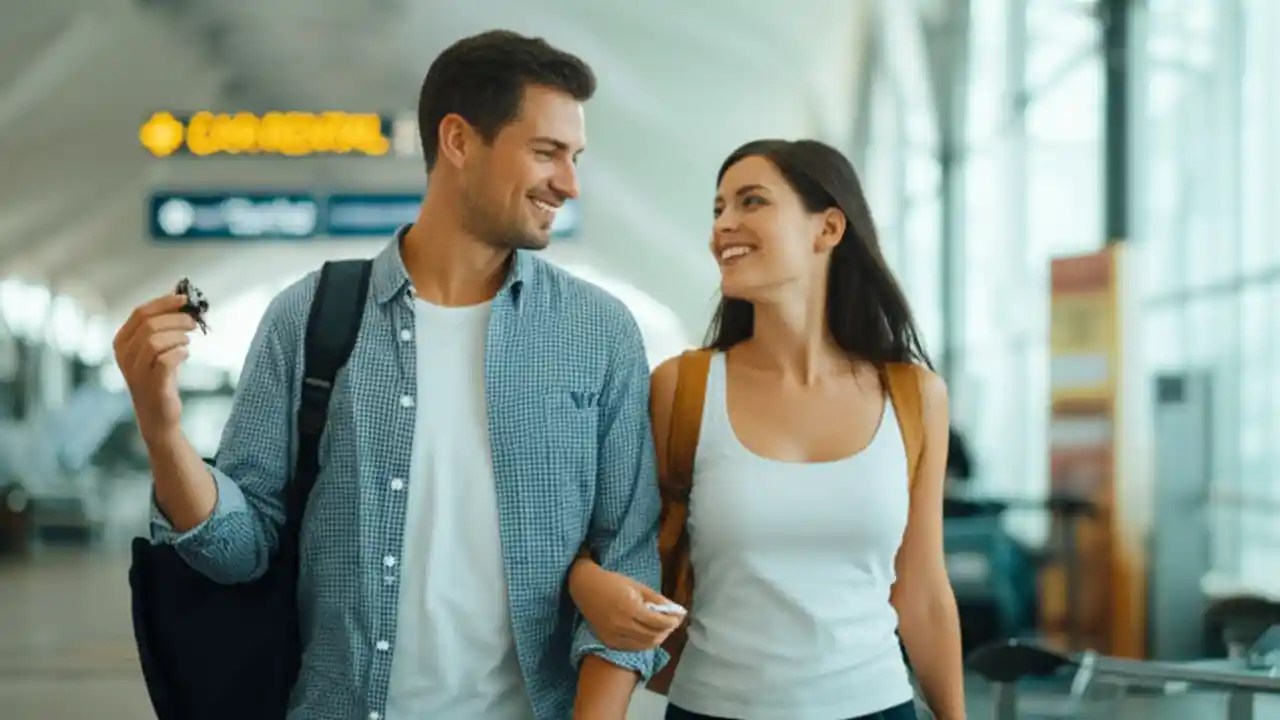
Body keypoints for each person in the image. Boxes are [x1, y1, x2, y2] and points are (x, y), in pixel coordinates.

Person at [112, 30, 680, 720]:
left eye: (575, 156)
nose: (569, 182)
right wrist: (162, 428)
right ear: (459, 141)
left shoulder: (598, 332)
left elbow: (628, 554)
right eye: (545, 152)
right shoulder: (310, 318)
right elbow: (240, 548)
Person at [567, 140, 967, 719]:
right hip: (715, 709)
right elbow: (612, 549)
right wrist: (584, 580)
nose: (724, 225)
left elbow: (923, 589)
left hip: (878, 708)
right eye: (717, 209)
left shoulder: (914, 396)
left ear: (828, 228)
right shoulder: (682, 388)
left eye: (751, 202)